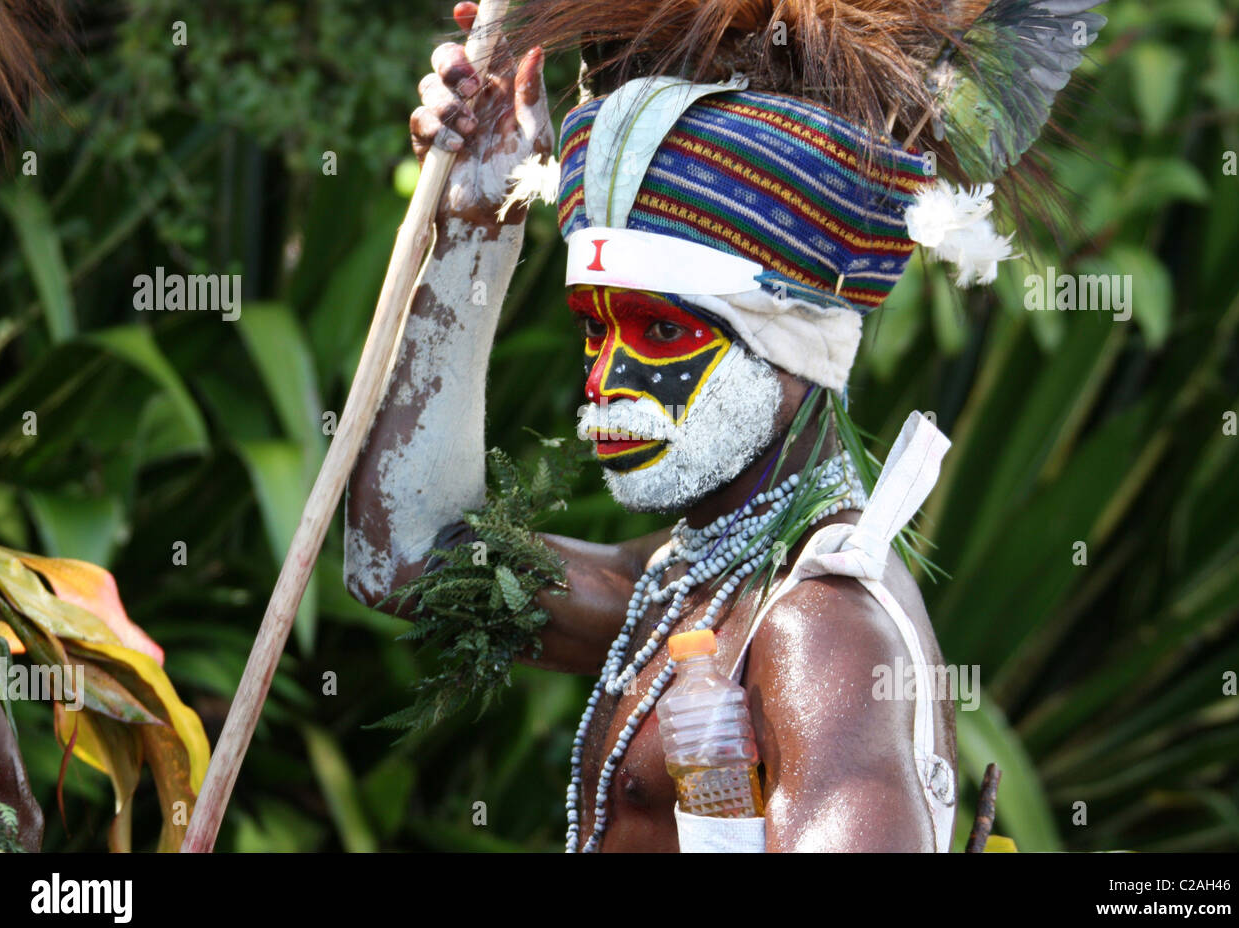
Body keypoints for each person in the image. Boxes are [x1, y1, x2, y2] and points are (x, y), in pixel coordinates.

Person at [345, 0, 1101, 853]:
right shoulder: (685, 582)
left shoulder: (820, 629)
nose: (605, 379)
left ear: (792, 342)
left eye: (662, 331)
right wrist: (473, 230)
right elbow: (409, 560)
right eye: (598, 329)